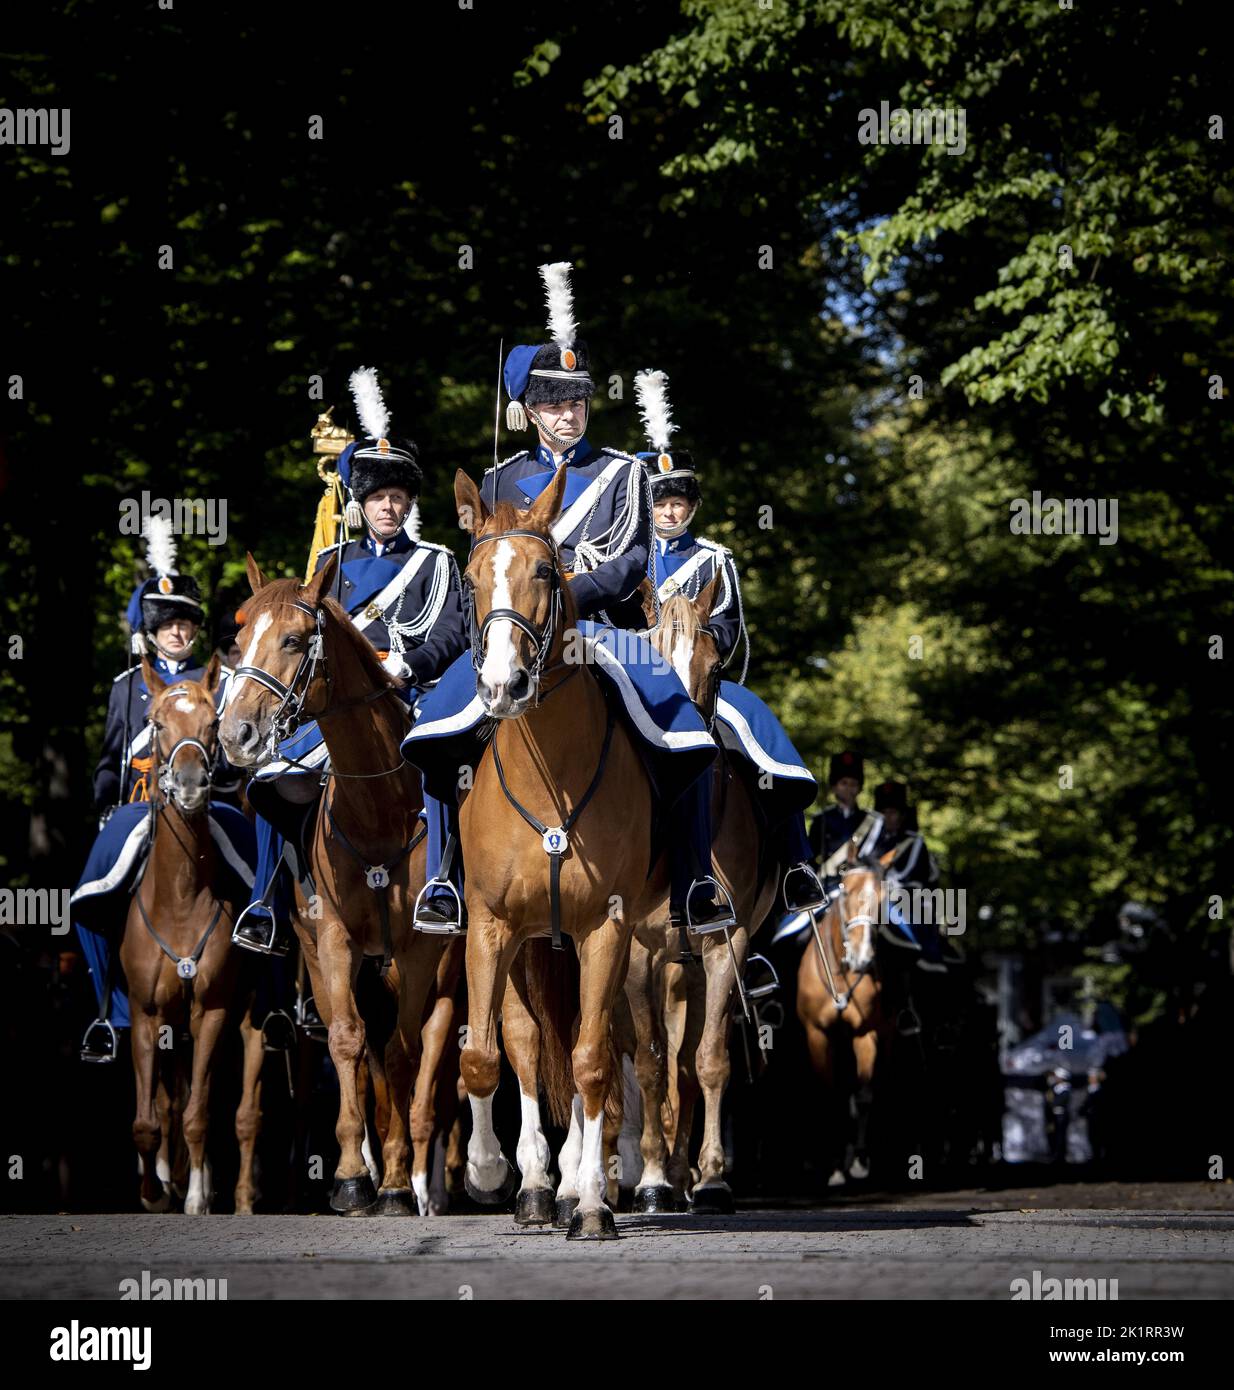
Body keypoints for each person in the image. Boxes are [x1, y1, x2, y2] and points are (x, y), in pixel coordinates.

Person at [406, 261, 731, 935]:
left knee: (685, 727)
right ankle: (443, 877)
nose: (568, 412)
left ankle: (695, 878)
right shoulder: (500, 479)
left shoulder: (623, 472)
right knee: (435, 726)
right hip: (510, 633)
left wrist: (563, 593)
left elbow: (635, 560)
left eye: (577, 400)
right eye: (554, 402)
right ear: (527, 408)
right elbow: (482, 572)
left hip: (597, 632)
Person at [234, 367, 468, 951]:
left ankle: (443, 882)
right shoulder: (329, 563)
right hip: (340, 703)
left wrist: (407, 667)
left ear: (410, 502)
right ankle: (265, 901)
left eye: (397, 497)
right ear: (359, 503)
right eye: (377, 498)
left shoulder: (437, 562)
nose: (388, 507)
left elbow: (456, 631)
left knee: (448, 766)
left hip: (414, 694)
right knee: (270, 778)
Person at [633, 368, 825, 920]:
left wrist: (701, 640)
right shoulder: (629, 558)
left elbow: (731, 621)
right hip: (640, 676)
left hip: (699, 676)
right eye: (662, 503)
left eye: (679, 503)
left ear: (692, 505)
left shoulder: (714, 557)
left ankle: (796, 863)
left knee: (763, 739)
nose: (670, 512)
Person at [76, 518, 248, 1061]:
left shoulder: (213, 680)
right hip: (140, 805)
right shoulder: (128, 686)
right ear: (151, 631)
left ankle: (267, 993)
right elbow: (110, 759)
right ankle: (106, 1011)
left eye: (185, 623)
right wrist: (106, 803)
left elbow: (233, 751)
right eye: (168, 624)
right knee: (87, 894)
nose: (178, 632)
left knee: (258, 873)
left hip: (208, 801)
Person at [871, 778, 948, 968]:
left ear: (901, 815)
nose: (888, 817)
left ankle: (928, 962)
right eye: (883, 812)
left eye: (893, 812)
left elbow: (924, 881)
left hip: (907, 903)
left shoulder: (915, 844)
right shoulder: (870, 843)